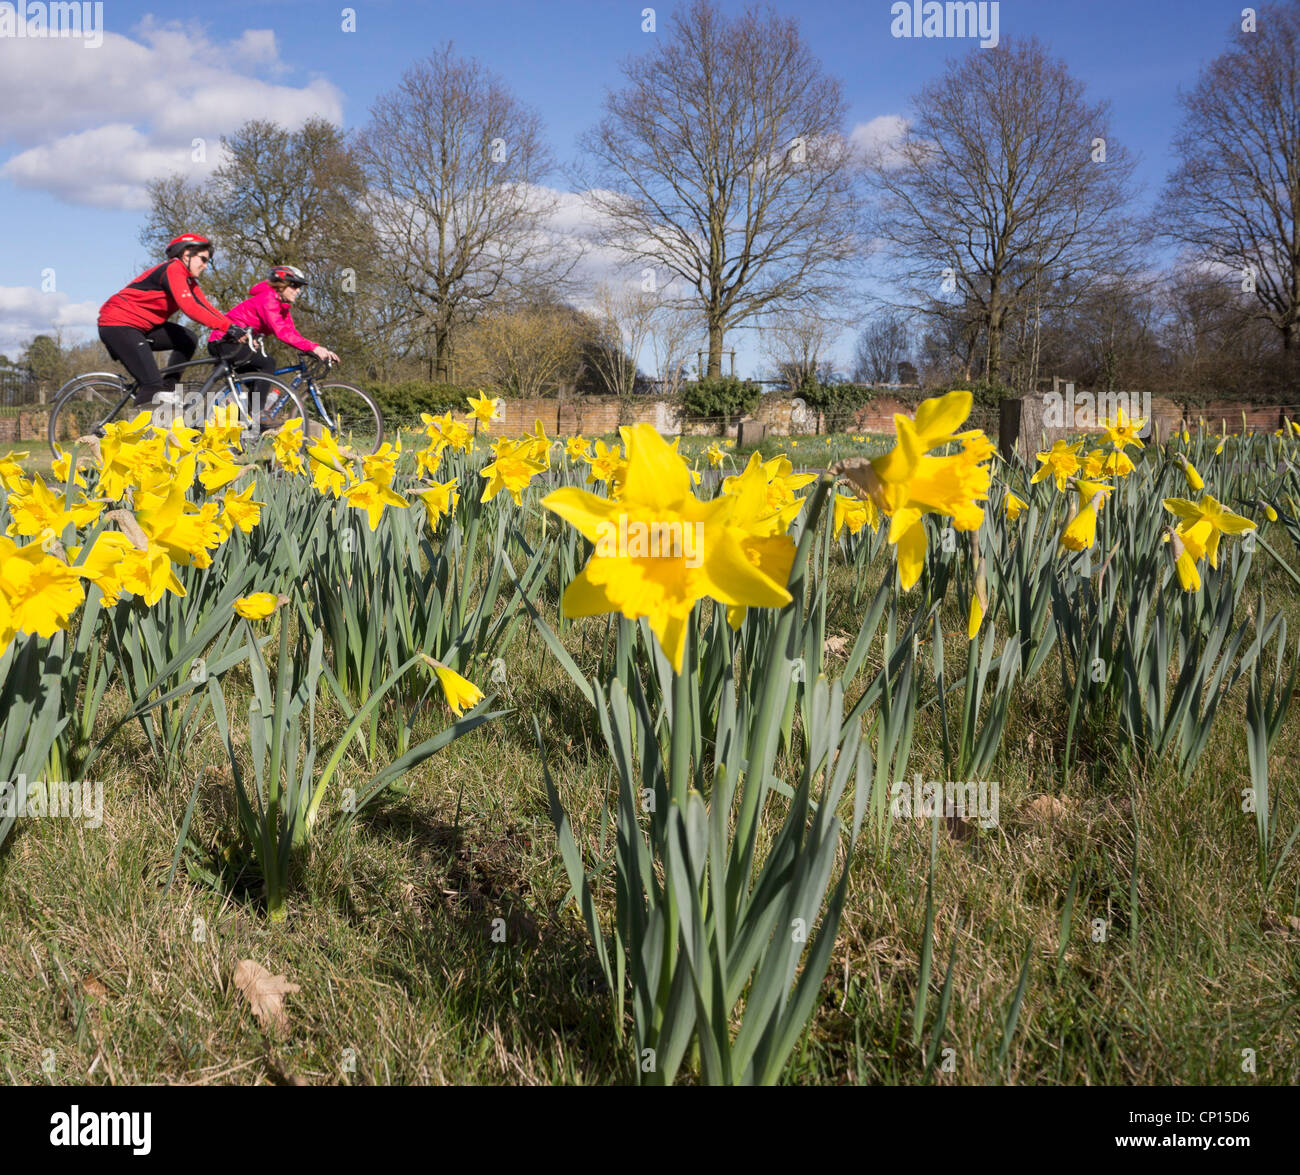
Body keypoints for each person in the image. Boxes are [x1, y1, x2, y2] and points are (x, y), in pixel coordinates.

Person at [98, 233, 236, 406]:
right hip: (119, 325)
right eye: (203, 259)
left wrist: (234, 327)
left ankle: (168, 388)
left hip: (143, 326)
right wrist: (227, 327)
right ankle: (140, 427)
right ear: (187, 254)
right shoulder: (174, 269)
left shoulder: (189, 281)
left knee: (188, 339)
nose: (205, 266)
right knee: (152, 387)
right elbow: (190, 307)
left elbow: (205, 306)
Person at [208, 265, 340, 417]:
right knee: (267, 364)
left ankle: (243, 422)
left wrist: (317, 348)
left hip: (235, 344)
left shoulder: (282, 306)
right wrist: (314, 348)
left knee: (258, 385)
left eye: (299, 287)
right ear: (281, 285)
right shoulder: (268, 299)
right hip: (223, 342)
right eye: (294, 286)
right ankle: (256, 417)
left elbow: (292, 332)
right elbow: (281, 332)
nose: (298, 291)